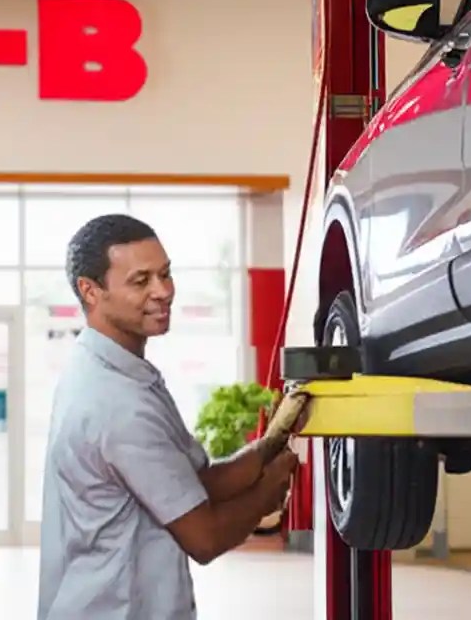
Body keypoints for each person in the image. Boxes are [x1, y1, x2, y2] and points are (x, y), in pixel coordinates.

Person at [37, 214, 301, 620]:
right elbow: (205, 537)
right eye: (140, 281)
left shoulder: (112, 371)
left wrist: (270, 444)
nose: (163, 292)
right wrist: (271, 490)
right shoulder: (116, 402)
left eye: (165, 274)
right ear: (91, 291)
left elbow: (193, 484)